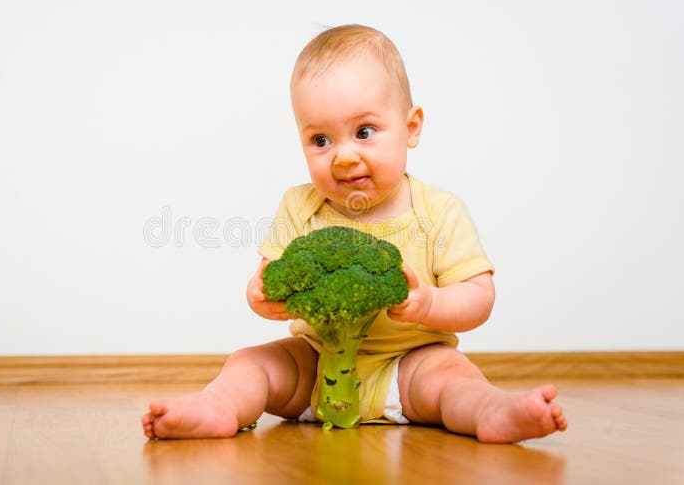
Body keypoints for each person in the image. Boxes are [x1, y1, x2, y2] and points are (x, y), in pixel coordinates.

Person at [141, 24, 567, 443]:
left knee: (454, 376)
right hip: (314, 365)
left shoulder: (439, 211)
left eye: (364, 132)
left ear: (411, 127)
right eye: (321, 139)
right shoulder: (298, 205)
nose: (344, 157)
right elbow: (272, 276)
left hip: (409, 368)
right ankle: (218, 408)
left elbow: (479, 297)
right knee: (249, 363)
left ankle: (492, 411)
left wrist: (429, 303)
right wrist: (263, 296)